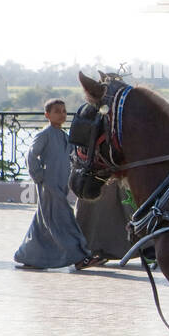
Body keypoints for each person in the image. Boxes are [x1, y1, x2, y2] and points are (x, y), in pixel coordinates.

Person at [14, 98, 105, 270]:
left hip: (60, 186)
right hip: (49, 185)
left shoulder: (65, 137)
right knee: (65, 221)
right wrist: (40, 177)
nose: (61, 114)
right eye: (57, 111)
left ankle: (29, 255)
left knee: (44, 221)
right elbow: (31, 156)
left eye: (63, 111)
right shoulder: (44, 134)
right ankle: (80, 258)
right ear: (47, 114)